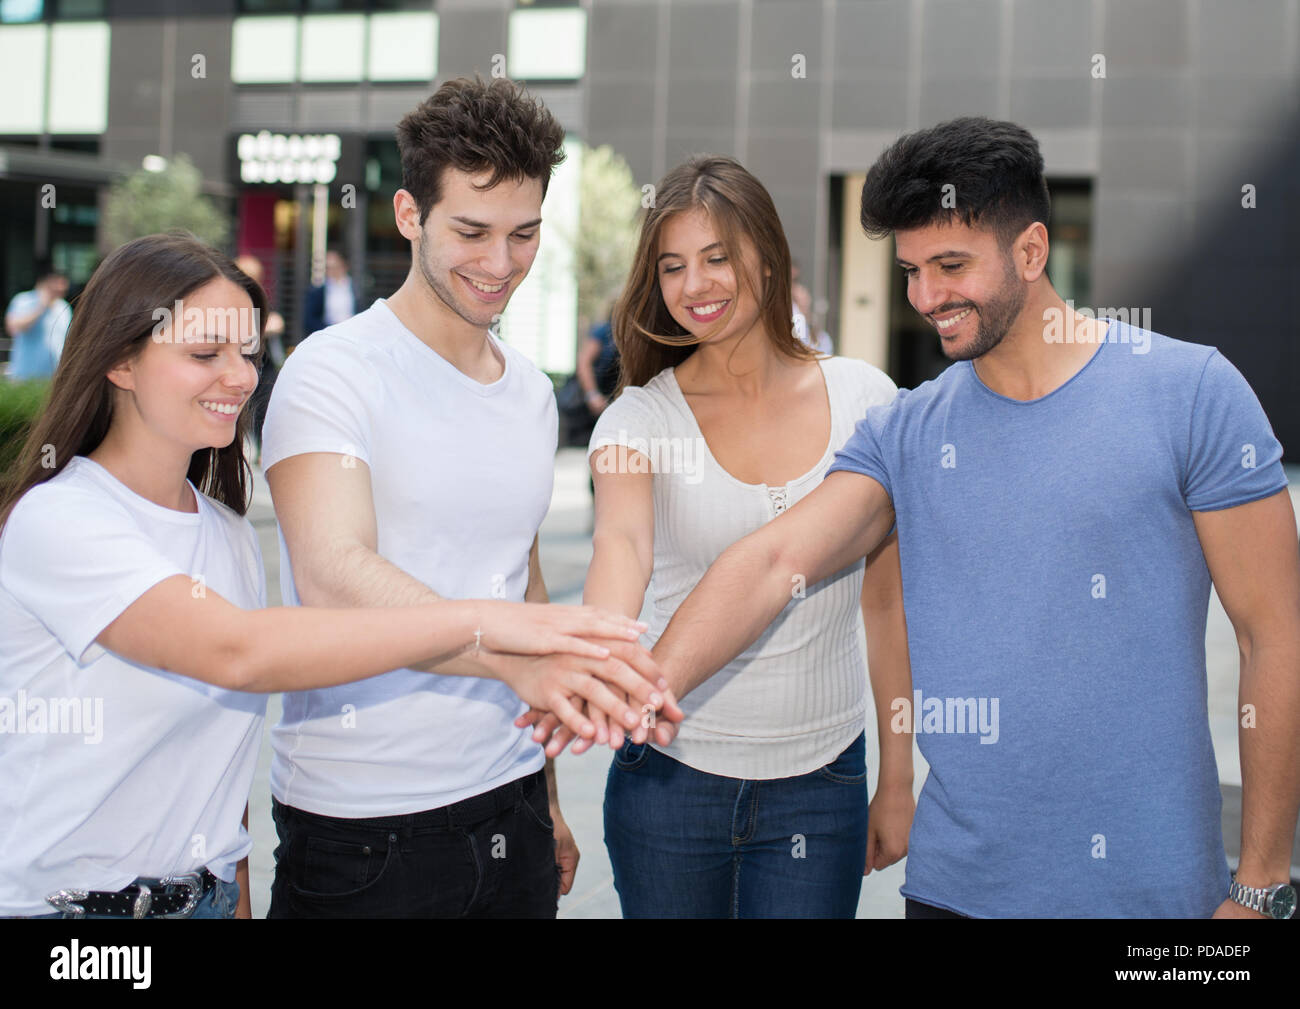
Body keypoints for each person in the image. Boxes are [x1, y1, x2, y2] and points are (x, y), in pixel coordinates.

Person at [620, 118, 1300, 919]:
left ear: (1032, 251)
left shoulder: (1193, 394)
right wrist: (636, 687)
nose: (925, 297)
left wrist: (1260, 884)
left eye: (950, 266)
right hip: (955, 893)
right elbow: (771, 563)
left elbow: (1275, 636)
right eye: (909, 270)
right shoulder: (907, 433)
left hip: (1156, 897)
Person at [0, 232, 665, 920]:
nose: (240, 377)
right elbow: (241, 653)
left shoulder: (224, 533)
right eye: (204, 353)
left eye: (248, 352)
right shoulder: (60, 519)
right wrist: (493, 626)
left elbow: (221, 787)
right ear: (119, 361)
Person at [261, 76, 682, 920]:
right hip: (362, 828)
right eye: (472, 231)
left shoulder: (529, 391)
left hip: (512, 802)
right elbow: (337, 574)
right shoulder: (333, 370)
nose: (500, 264)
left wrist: (551, 796)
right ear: (411, 215)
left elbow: (518, 577)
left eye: (524, 234)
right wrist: (518, 654)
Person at [525, 156, 914, 918]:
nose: (695, 285)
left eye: (717, 257)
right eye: (673, 266)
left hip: (823, 781)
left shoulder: (866, 399)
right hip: (670, 781)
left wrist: (897, 776)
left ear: (767, 259)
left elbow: (886, 602)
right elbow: (622, 548)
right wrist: (599, 661)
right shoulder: (637, 419)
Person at [232, 254, 285, 461]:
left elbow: (275, 321)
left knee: (264, 405)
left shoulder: (260, 297)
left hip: (264, 362)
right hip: (241, 362)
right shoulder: (228, 300)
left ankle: (264, 449)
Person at [4, 263, 71, 380]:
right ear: (44, 282)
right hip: (24, 377)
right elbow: (12, 328)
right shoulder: (23, 300)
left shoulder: (63, 307)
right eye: (57, 282)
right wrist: (41, 307)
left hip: (53, 377)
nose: (61, 287)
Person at [301, 250, 359, 341]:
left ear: (344, 266)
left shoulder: (357, 288)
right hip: (329, 336)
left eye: (335, 267)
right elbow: (310, 320)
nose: (331, 271)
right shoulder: (318, 291)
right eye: (328, 268)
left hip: (353, 336)